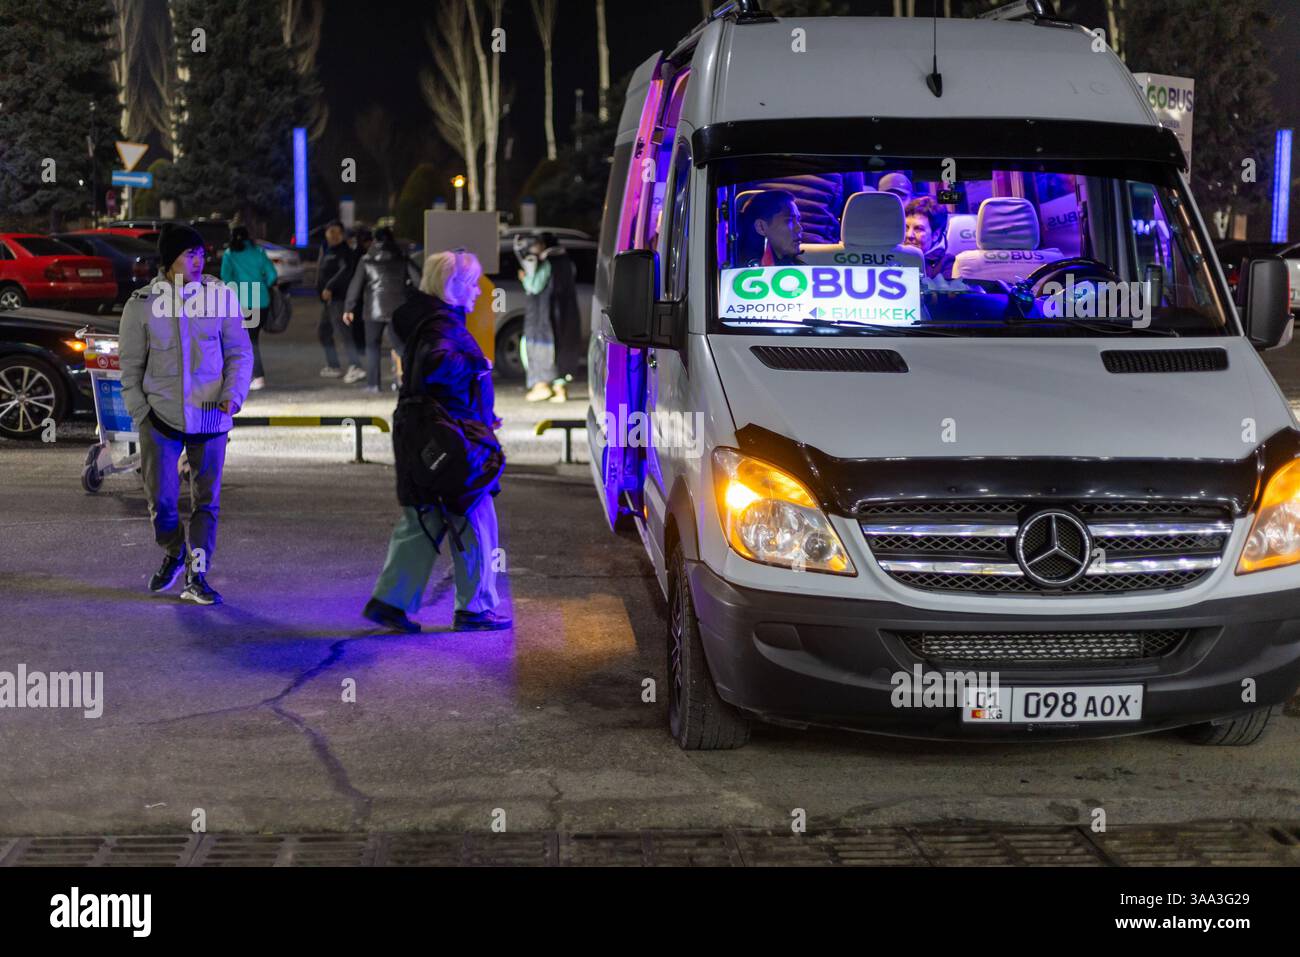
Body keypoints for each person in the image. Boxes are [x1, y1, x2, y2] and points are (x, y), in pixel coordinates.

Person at [363, 250, 511, 633]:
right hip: (453, 435)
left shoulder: (422, 319)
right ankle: (475, 609)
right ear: (454, 286)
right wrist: (478, 372)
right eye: (472, 283)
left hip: (423, 433)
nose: (478, 292)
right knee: (475, 515)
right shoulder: (441, 326)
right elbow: (440, 368)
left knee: (423, 515)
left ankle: (391, 602)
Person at [118, 223, 253, 606]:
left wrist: (233, 395)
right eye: (188, 253)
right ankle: (174, 548)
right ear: (168, 259)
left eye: (200, 253)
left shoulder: (220, 297)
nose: (198, 260)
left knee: (206, 503)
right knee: (161, 502)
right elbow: (129, 367)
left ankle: (197, 574)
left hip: (211, 417)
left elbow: (239, 353)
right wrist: (140, 412)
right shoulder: (142, 305)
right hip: (160, 417)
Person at [343, 227, 421, 394]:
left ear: (374, 241)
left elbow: (355, 285)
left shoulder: (366, 260)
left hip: (373, 310)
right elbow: (419, 281)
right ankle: (408, 383)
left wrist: (349, 308)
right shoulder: (403, 259)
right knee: (401, 347)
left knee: (372, 347)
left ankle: (373, 384)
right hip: (398, 310)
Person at [219, 225, 277, 390]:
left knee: (245, 341)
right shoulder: (258, 252)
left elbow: (226, 277)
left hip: (242, 302)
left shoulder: (230, 254)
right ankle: (252, 376)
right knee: (252, 339)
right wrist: (263, 285)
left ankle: (257, 376)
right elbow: (272, 274)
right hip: (262, 301)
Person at [316, 221, 364, 383]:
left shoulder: (344, 251)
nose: (334, 235)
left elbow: (345, 271)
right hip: (328, 301)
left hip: (339, 298)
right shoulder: (326, 249)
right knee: (323, 331)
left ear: (342, 234)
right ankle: (333, 366)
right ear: (326, 233)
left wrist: (329, 286)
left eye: (337, 232)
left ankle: (356, 366)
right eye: (331, 231)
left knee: (344, 332)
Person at [519, 235, 561, 402]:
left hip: (540, 315)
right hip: (546, 313)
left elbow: (534, 287)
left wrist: (524, 278)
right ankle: (557, 387)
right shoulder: (558, 261)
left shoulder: (545, 264)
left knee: (537, 348)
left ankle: (541, 386)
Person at [540, 232, 581, 403]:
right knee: (565, 345)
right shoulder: (567, 260)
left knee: (551, 346)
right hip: (569, 307)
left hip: (552, 308)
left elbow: (539, 284)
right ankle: (561, 386)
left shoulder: (546, 261)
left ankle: (555, 386)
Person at [739, 190, 804, 267]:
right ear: (761, 227)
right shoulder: (737, 271)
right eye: (789, 220)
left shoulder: (802, 270)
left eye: (798, 220)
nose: (799, 228)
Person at [903, 196, 950, 279]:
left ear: (935, 235)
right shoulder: (890, 257)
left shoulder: (947, 264)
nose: (909, 235)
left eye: (918, 229)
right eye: (906, 228)